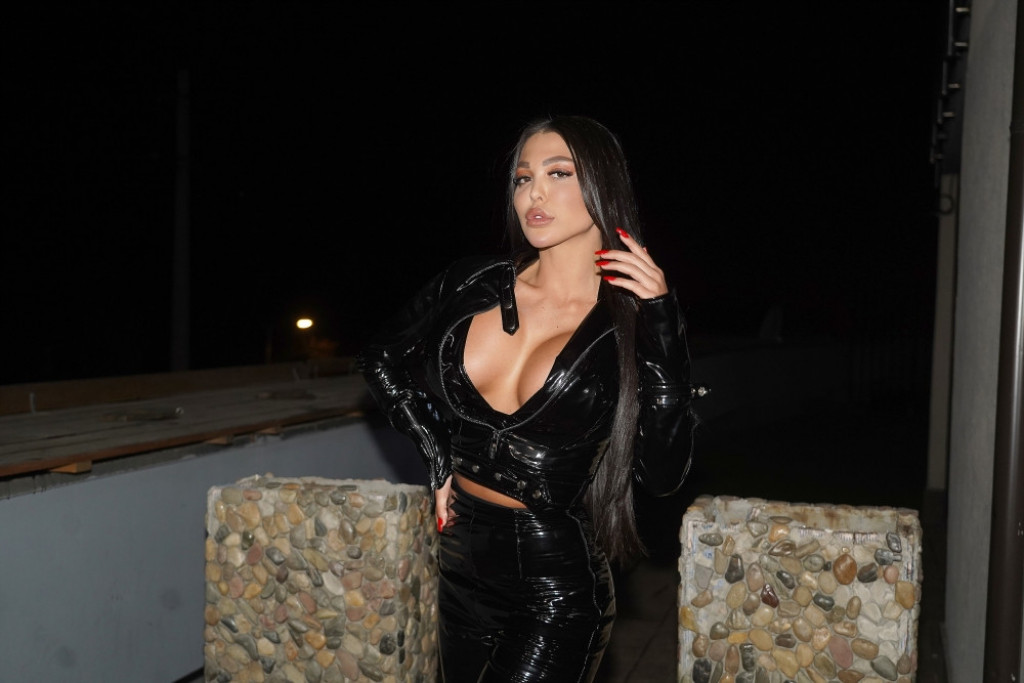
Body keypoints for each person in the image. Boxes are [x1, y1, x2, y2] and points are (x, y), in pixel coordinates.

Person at [356, 115, 697, 682]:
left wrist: (663, 327)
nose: (533, 193)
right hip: (459, 567)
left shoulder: (632, 322)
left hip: (554, 590)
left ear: (602, 185)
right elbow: (380, 359)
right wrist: (435, 452)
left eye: (558, 173)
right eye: (522, 178)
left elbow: (662, 475)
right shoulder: (473, 282)